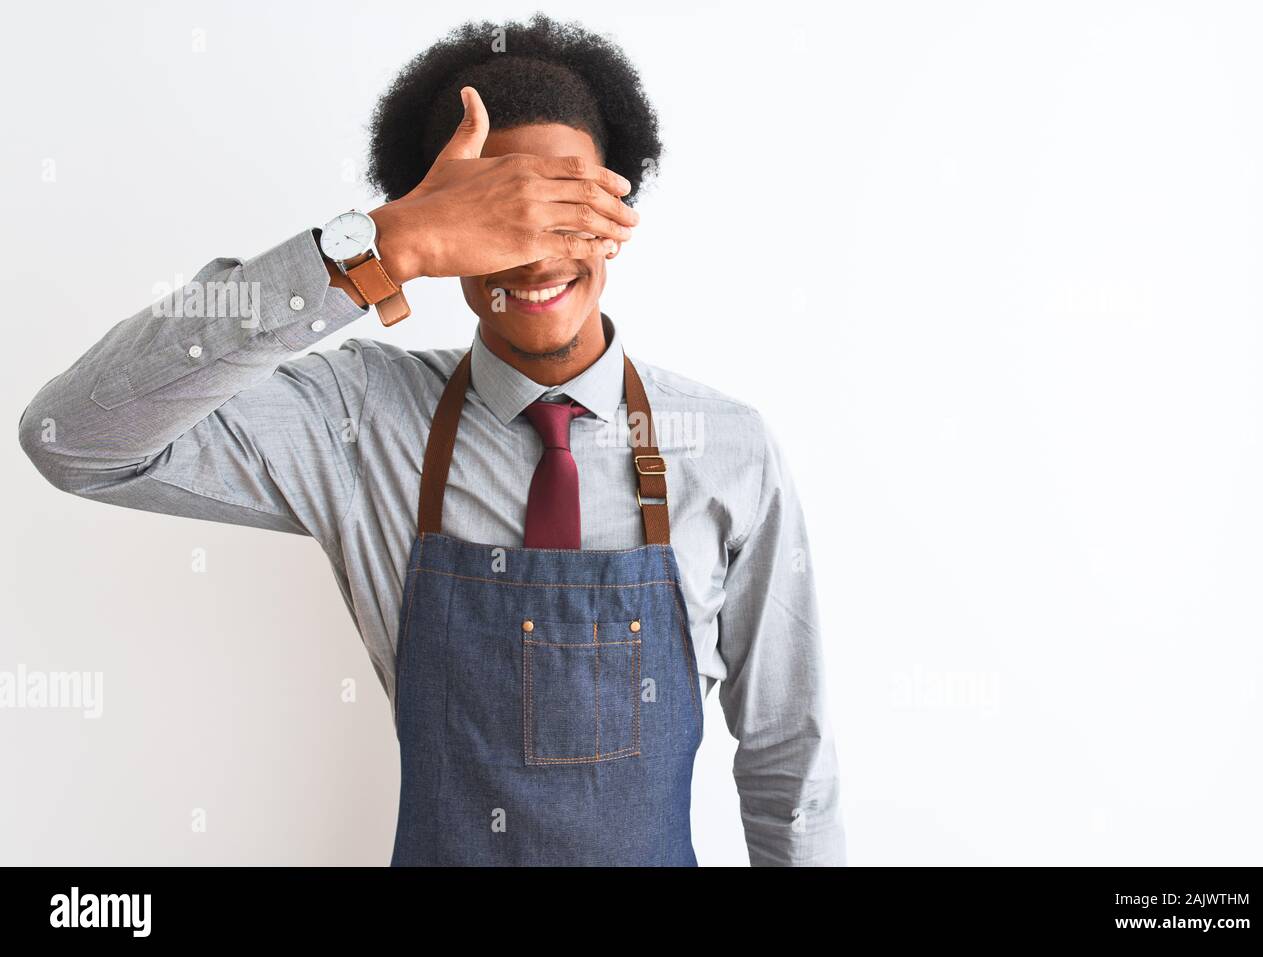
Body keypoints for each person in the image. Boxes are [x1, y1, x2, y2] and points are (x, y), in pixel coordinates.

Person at [18, 13, 845, 866]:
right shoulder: (361, 419)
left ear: (614, 211)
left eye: (561, 206)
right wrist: (377, 245)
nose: (534, 256)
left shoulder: (727, 449)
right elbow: (73, 439)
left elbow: (790, 756)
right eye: (499, 215)